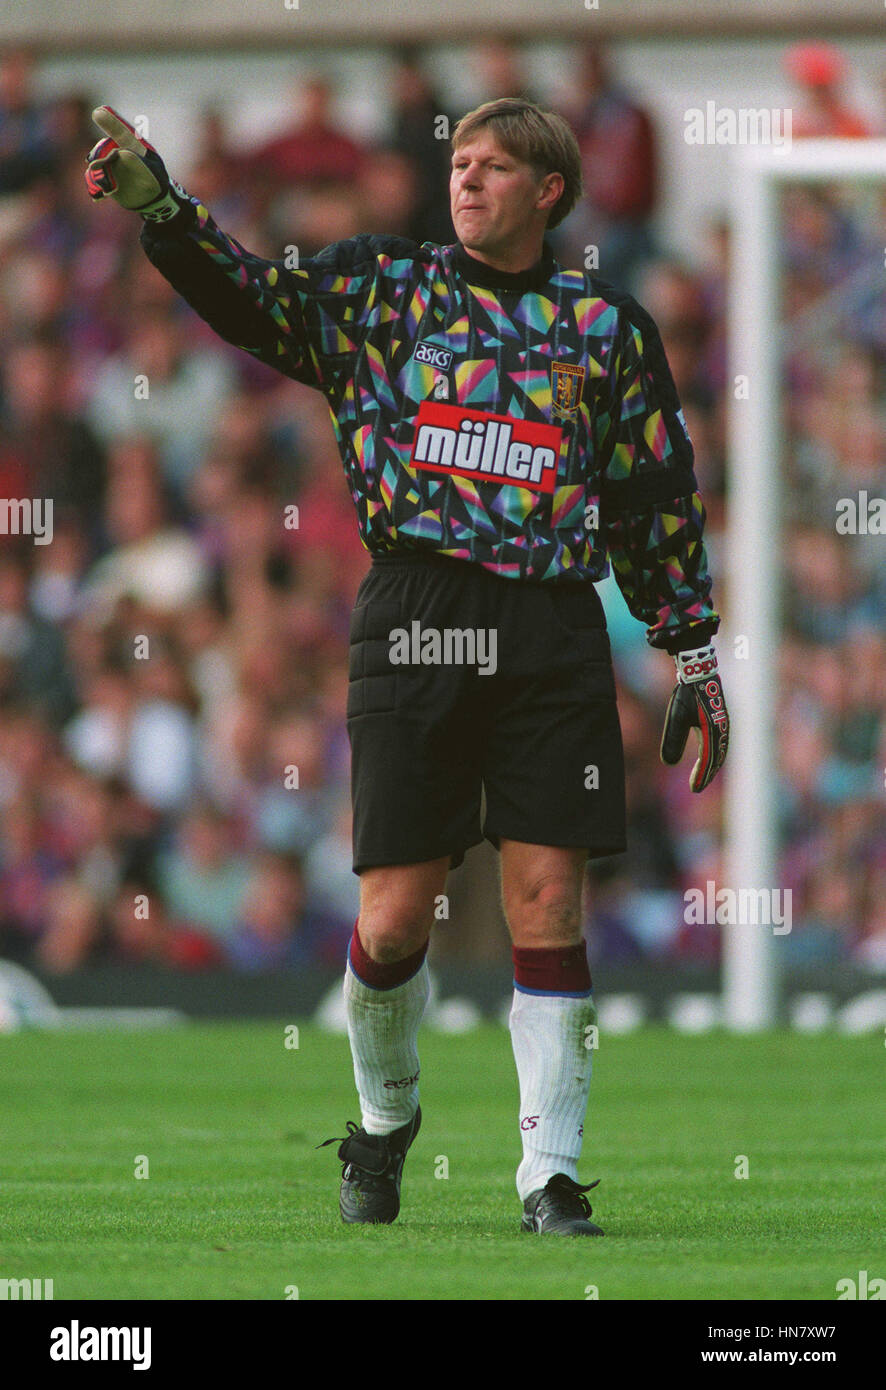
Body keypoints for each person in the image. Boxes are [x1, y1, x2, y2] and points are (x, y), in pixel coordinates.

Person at [84, 97, 729, 1237]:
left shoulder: (607, 328)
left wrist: (691, 645)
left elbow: (650, 495)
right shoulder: (386, 289)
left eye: (494, 167)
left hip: (549, 625)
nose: (467, 180)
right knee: (391, 922)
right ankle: (384, 1123)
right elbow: (255, 299)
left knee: (549, 900)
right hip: (416, 614)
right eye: (460, 162)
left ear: (552, 194)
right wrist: (166, 212)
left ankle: (551, 1175)